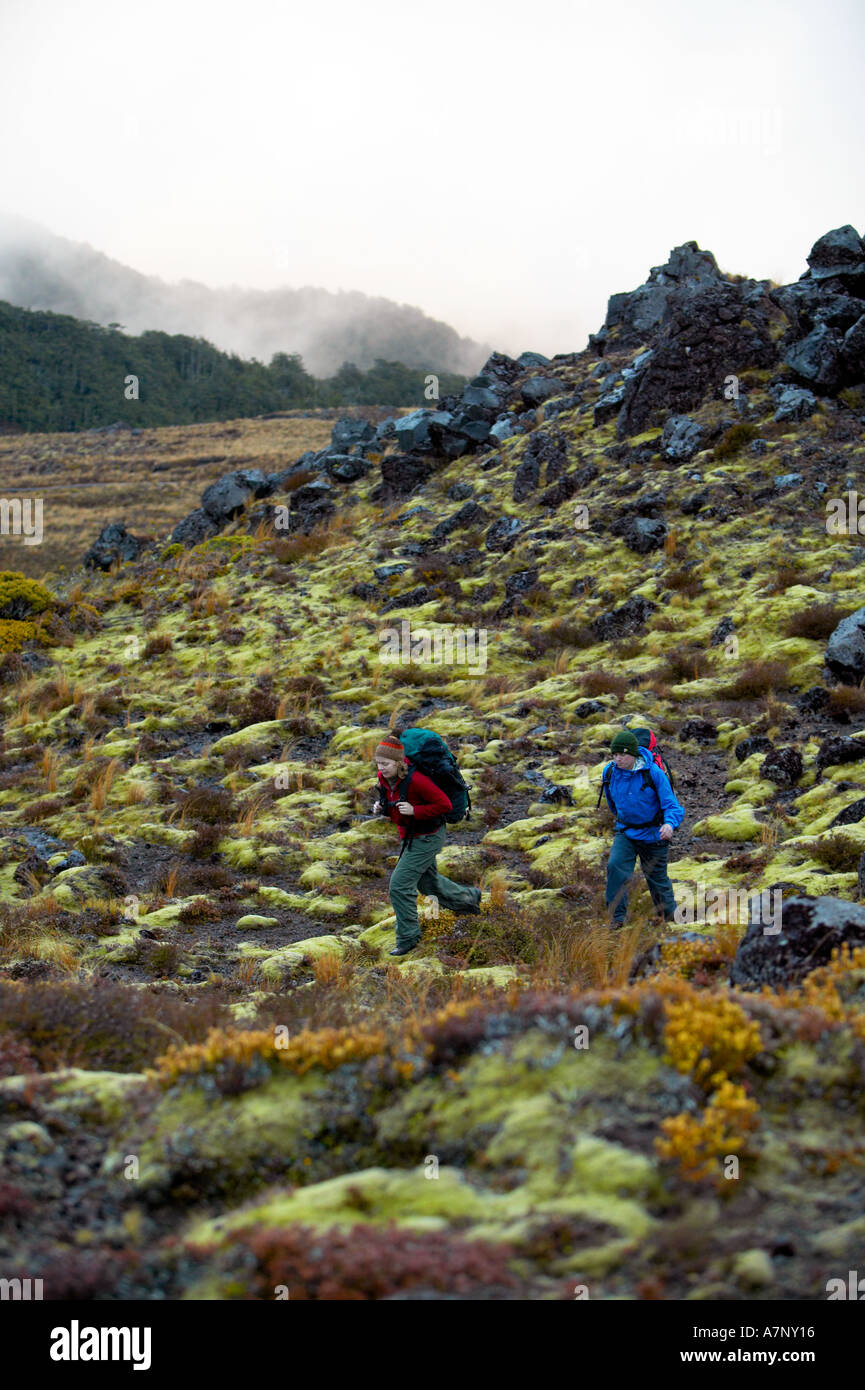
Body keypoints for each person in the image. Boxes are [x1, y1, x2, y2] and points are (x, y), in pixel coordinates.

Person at [372, 735, 481, 955]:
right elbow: (395, 804)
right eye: (378, 763)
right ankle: (468, 899)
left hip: (428, 837)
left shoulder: (417, 780)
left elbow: (444, 804)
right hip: (410, 836)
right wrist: (382, 808)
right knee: (427, 883)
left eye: (385, 764)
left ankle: (408, 937)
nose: (381, 768)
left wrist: (416, 811)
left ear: (398, 762)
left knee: (400, 885)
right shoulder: (385, 778)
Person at [600, 729, 684, 928]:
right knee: (615, 867)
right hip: (626, 832)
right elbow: (612, 804)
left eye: (622, 755)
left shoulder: (653, 773)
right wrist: (625, 820)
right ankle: (616, 920)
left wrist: (669, 824)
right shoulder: (610, 772)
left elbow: (673, 805)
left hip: (654, 834)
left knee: (657, 880)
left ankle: (671, 921)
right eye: (615, 754)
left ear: (634, 754)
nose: (617, 759)